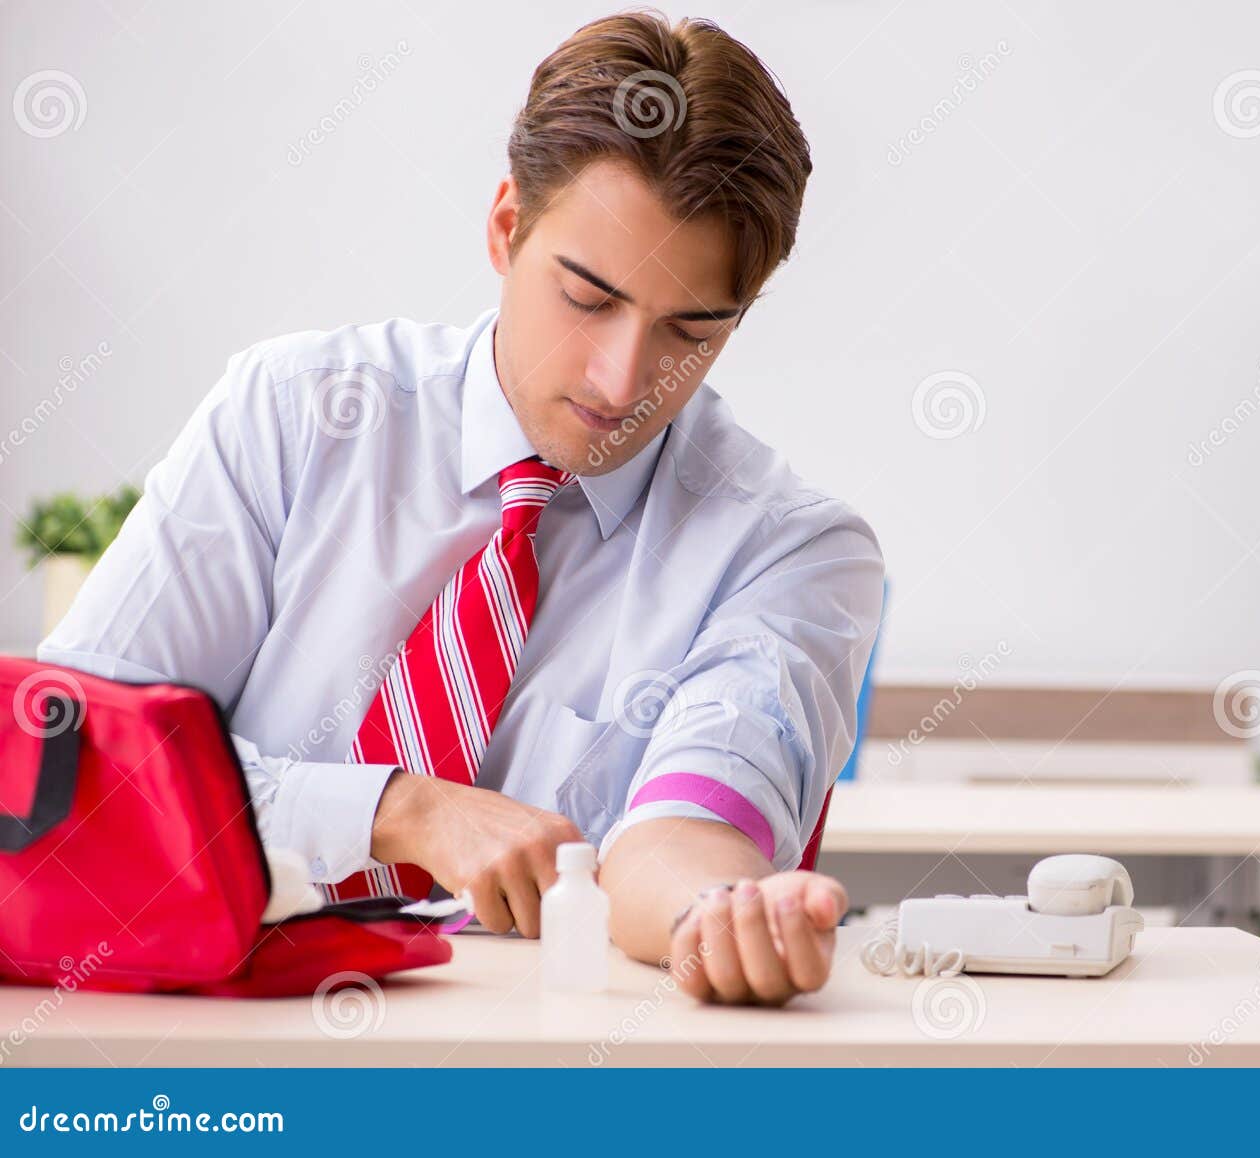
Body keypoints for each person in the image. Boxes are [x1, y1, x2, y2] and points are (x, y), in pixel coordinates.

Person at [37, 10, 883, 1007]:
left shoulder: (789, 551)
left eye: (689, 332)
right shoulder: (296, 414)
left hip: (526, 1071)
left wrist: (720, 913)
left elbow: (681, 834)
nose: (622, 380)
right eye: (588, 297)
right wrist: (396, 811)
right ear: (505, 228)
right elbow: (72, 772)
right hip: (215, 1033)